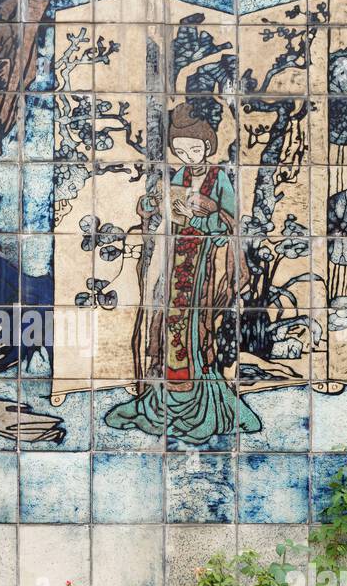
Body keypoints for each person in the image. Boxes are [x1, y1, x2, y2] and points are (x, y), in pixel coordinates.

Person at [104, 102, 260, 445]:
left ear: (209, 146)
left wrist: (205, 214)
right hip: (172, 262)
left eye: (195, 148)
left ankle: (198, 405)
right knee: (167, 326)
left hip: (202, 267)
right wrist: (152, 206)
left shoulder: (220, 179)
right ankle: (165, 400)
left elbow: (230, 227)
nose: (188, 155)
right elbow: (164, 207)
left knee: (193, 330)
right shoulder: (181, 176)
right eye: (180, 150)